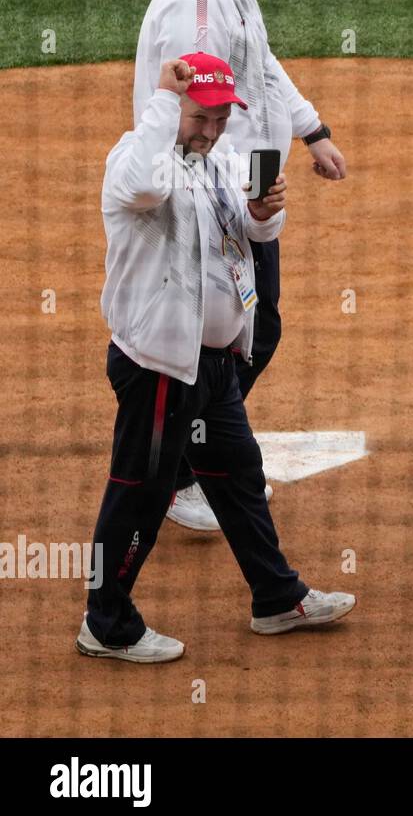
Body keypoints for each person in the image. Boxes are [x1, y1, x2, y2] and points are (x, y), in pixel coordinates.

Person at [78, 54, 354, 664]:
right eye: (200, 116)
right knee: (140, 492)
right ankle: (106, 622)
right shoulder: (133, 158)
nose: (210, 129)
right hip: (158, 367)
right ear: (173, 109)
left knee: (238, 478)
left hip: (214, 365)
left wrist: (263, 213)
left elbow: (250, 235)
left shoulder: (222, 160)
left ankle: (276, 597)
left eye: (221, 117)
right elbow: (147, 186)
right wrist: (160, 99)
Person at [133, 0, 348, 531]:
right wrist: (236, 204)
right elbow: (189, 118)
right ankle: (176, 478)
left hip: (245, 179)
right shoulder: (194, 4)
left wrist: (310, 127)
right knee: (228, 340)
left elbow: (258, 62)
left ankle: (187, 469)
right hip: (210, 188)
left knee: (250, 332)